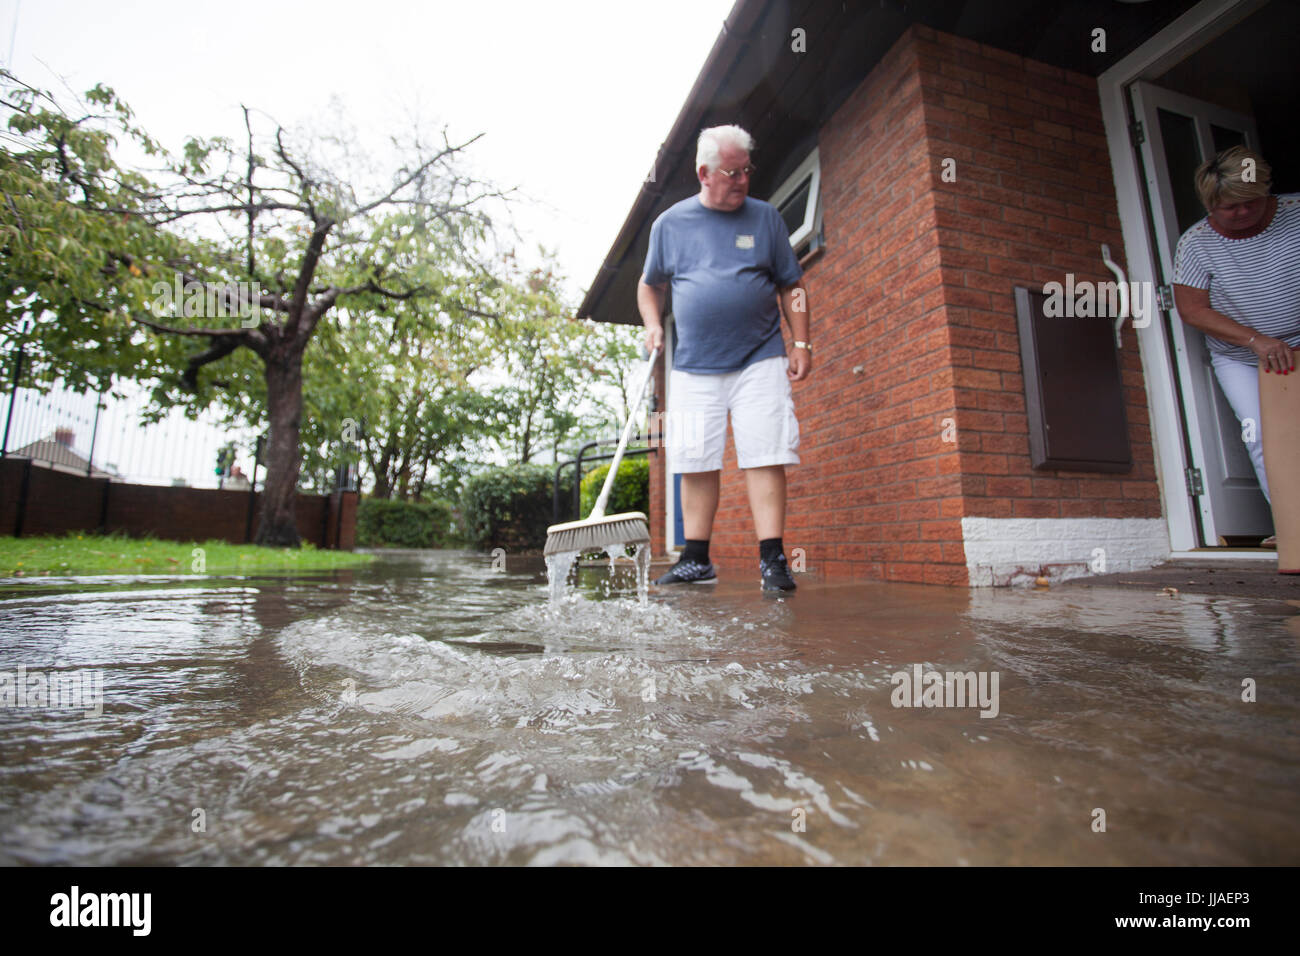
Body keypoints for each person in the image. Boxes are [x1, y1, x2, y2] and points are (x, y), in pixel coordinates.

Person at [638, 124, 811, 592]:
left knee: (766, 452)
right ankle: (696, 560)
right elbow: (649, 285)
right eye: (732, 173)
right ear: (703, 173)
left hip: (760, 358)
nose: (742, 181)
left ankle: (773, 559)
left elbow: (791, 285)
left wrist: (801, 343)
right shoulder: (670, 225)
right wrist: (654, 324)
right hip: (693, 365)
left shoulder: (766, 219)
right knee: (693, 459)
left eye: (746, 171)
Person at [1172, 146, 1300, 546]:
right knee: (1262, 435)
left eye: (1250, 203)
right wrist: (1255, 340)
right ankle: (1293, 529)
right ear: (1211, 205)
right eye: (1229, 208)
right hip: (1243, 356)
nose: (1242, 213)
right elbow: (1191, 309)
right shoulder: (1195, 243)